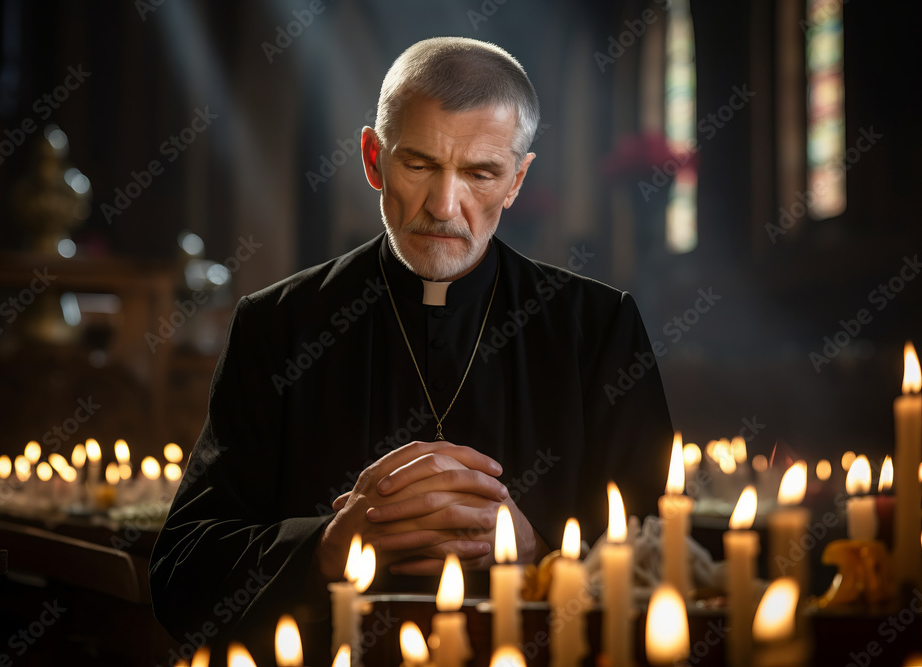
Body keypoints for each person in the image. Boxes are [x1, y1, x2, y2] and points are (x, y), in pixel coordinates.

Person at [149, 36, 672, 664]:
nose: (444, 206)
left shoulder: (598, 327)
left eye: (481, 173)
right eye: (419, 164)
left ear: (517, 179)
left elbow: (668, 561)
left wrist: (538, 553)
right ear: (373, 158)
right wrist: (326, 547)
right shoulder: (279, 325)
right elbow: (181, 575)